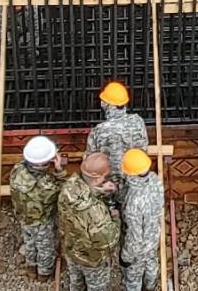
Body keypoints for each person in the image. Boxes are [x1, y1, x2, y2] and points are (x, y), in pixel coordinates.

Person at [57, 151, 122, 291]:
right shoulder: (96, 214)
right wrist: (116, 218)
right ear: (97, 178)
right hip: (92, 260)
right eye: (104, 177)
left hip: (71, 250)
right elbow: (109, 241)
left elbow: (84, 195)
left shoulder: (69, 187)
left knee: (76, 282)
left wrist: (100, 190)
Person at [9, 135, 68, 278]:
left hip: (24, 217)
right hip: (42, 221)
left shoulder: (17, 170)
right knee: (45, 248)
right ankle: (44, 273)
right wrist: (59, 170)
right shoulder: (46, 185)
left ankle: (31, 266)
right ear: (45, 163)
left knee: (29, 241)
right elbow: (65, 192)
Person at [87, 82, 147, 197]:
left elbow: (91, 162)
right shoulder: (138, 122)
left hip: (108, 187)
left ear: (106, 105)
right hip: (135, 184)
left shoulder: (99, 131)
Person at [117, 149, 165, 291]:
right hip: (153, 237)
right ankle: (150, 286)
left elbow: (135, 237)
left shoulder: (134, 202)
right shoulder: (155, 180)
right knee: (151, 266)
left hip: (138, 250)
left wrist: (126, 257)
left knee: (133, 278)